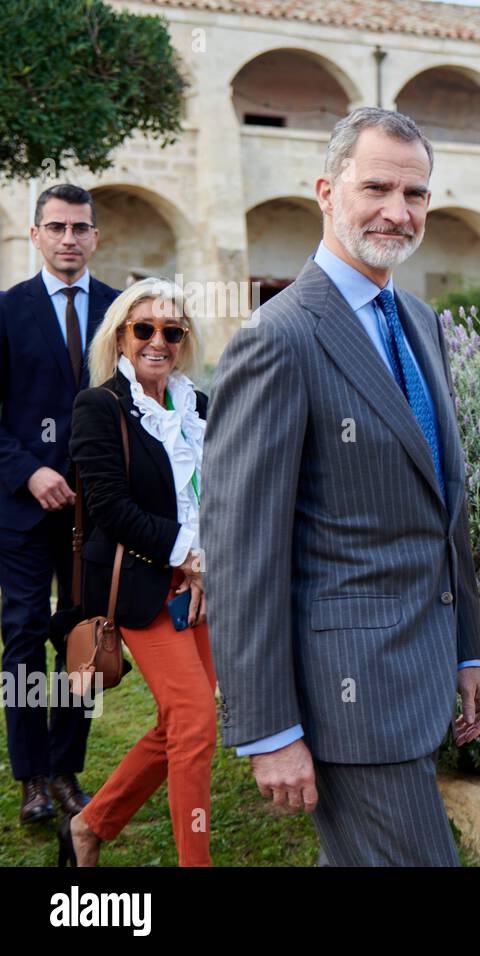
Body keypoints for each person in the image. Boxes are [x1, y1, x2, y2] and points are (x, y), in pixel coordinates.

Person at [203, 107, 480, 866]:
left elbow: (442, 506)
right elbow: (241, 552)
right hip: (348, 698)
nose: (399, 212)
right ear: (326, 191)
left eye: (417, 194)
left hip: (421, 672)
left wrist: (466, 652)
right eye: (377, 188)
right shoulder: (278, 338)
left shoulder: (420, 321)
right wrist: (269, 730)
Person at [58, 278, 211, 866]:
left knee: (179, 723)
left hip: (203, 583)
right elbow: (109, 507)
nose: (158, 341)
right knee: (195, 722)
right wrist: (185, 555)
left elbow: (217, 491)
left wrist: (210, 560)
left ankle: (90, 825)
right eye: (143, 329)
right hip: (143, 583)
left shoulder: (198, 404)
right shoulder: (100, 405)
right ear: (121, 336)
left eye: (171, 331)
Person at [0, 184, 119, 824]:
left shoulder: (119, 310)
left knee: (79, 642)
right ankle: (32, 779)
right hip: (20, 509)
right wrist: (30, 471)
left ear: (95, 236)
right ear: (35, 235)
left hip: (91, 516)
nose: (68, 238)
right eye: (56, 227)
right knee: (20, 637)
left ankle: (68, 771)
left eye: (79, 228)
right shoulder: (6, 311)